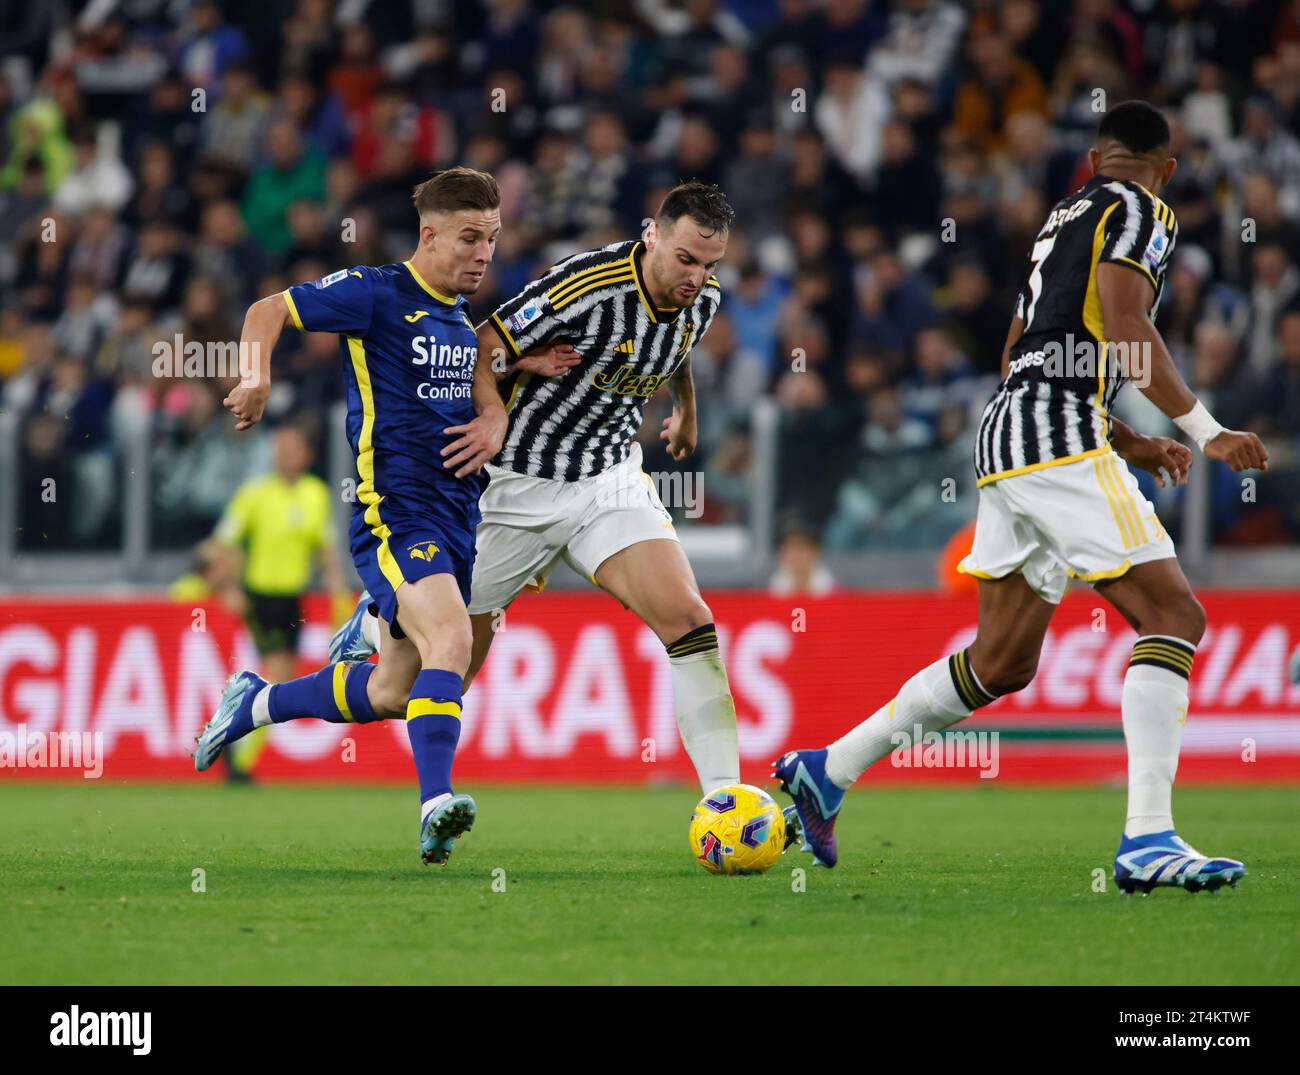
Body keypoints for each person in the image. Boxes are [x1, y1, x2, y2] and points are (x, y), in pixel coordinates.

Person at [774, 102, 1269, 893]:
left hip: (1009, 430)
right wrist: (1206, 429)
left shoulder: (1061, 219)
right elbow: (1131, 321)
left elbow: (1021, 351)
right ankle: (1148, 837)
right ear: (1164, 168)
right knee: (1175, 616)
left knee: (1001, 660)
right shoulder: (1144, 209)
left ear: (1097, 157)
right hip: (1059, 433)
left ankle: (828, 768)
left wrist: (1131, 437)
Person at [331, 182, 747, 799]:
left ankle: (725, 801)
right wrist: (496, 413)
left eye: (709, 265)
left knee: (690, 621)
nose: (695, 277)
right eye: (685, 259)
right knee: (418, 684)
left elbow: (675, 345)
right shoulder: (585, 285)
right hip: (515, 491)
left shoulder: (703, 298)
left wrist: (686, 411)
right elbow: (482, 345)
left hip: (608, 482)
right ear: (652, 235)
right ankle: (372, 625)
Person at [194, 167, 510, 867]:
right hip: (395, 513)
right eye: (469, 237)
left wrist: (496, 413)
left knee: (395, 689)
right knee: (452, 640)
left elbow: (486, 378)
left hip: (458, 520)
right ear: (429, 236)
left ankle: (256, 702)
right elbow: (264, 311)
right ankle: (435, 805)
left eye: (491, 237)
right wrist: (256, 374)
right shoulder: (376, 293)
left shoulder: (461, 318)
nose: (483, 252)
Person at [209, 421, 350, 780]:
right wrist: (228, 588)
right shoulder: (255, 494)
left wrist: (337, 592)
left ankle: (236, 743)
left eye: (291, 448)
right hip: (260, 596)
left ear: (307, 454)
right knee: (277, 671)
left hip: (292, 599)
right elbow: (223, 544)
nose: (283, 455)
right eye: (279, 448)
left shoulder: (315, 494)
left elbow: (325, 551)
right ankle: (238, 760)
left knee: (282, 676)